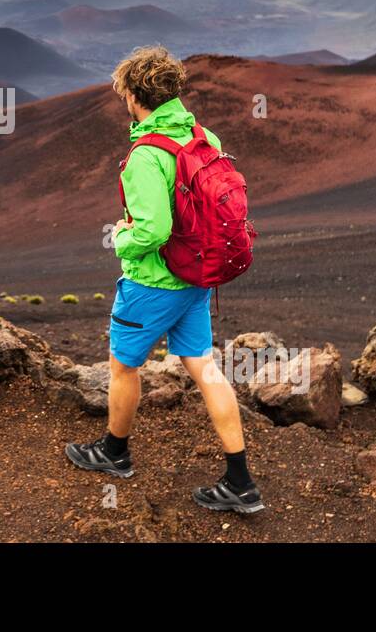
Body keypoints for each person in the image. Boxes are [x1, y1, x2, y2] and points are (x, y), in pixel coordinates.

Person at [64, 46, 264, 514]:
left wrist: (121, 239)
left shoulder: (145, 156)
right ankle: (240, 480)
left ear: (134, 96)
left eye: (125, 94)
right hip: (197, 277)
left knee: (122, 367)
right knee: (205, 367)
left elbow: (152, 229)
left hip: (153, 284)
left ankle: (114, 453)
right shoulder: (201, 135)